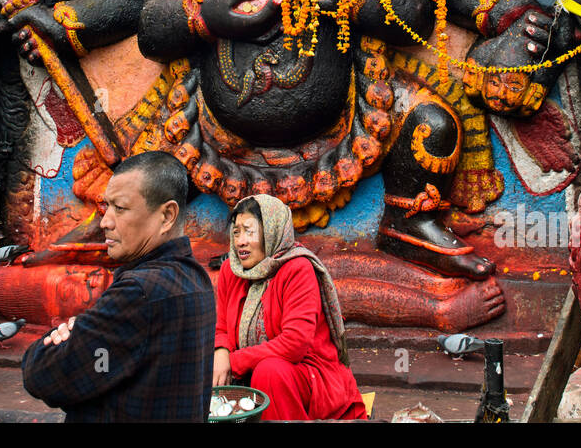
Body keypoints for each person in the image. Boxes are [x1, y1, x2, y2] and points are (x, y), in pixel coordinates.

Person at [21, 150, 216, 421]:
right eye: (107, 207)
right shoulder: (196, 279)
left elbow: (42, 375)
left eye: (120, 208)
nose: (105, 222)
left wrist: (64, 337)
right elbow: (104, 365)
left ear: (167, 216)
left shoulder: (139, 294)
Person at [213, 193, 367, 420]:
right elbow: (222, 328)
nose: (240, 241)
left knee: (269, 372)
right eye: (236, 232)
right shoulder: (230, 271)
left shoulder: (297, 269)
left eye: (249, 231)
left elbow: (294, 344)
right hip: (248, 372)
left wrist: (234, 361)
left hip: (305, 374)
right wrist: (220, 353)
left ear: (272, 231)